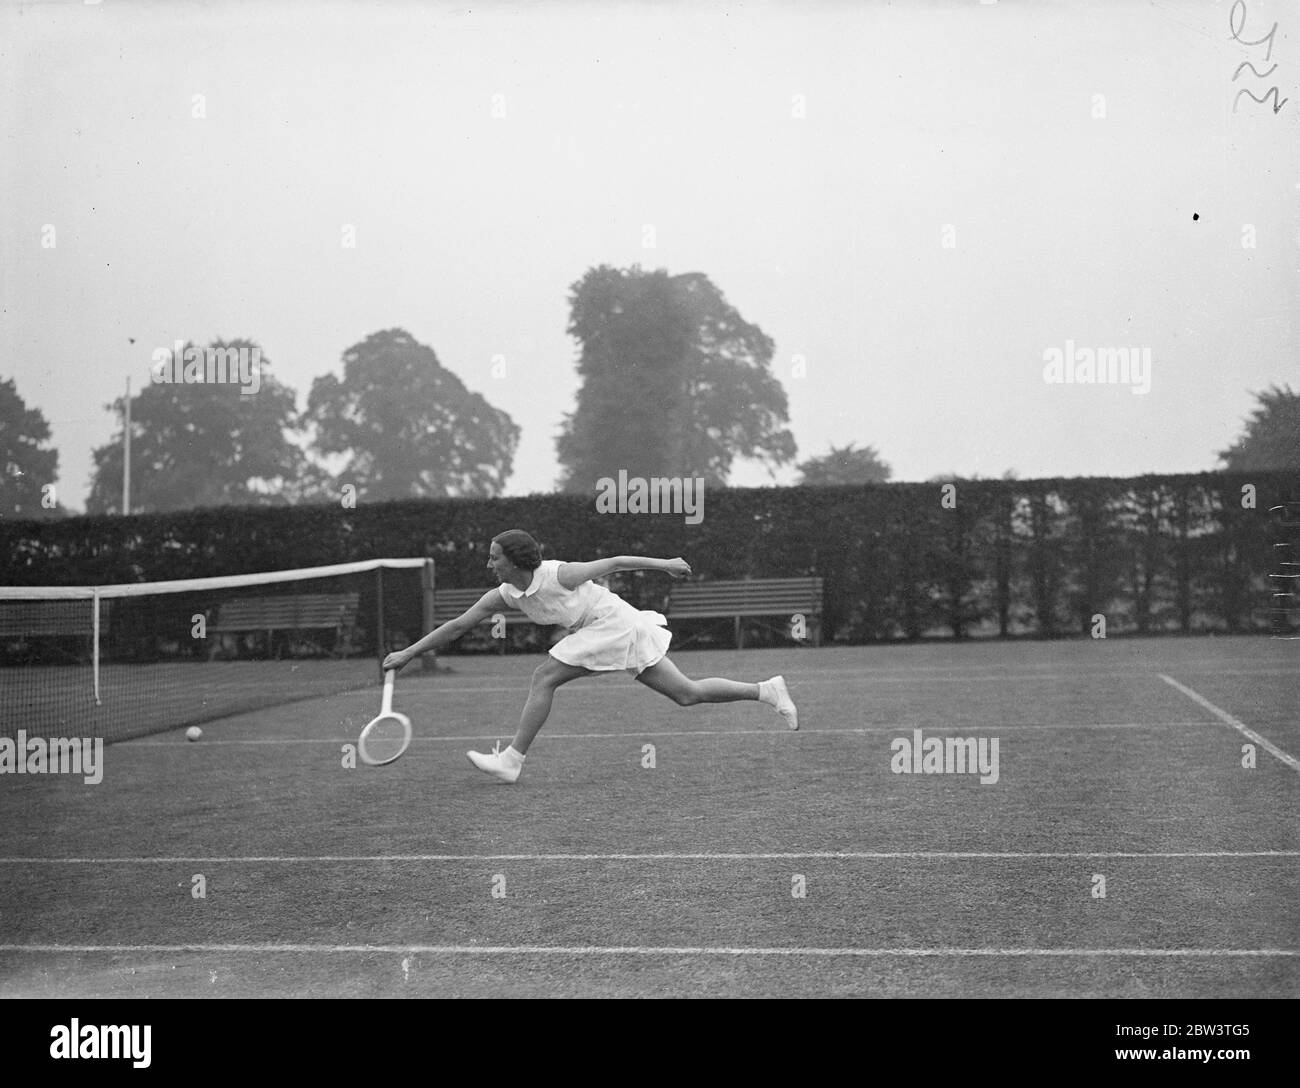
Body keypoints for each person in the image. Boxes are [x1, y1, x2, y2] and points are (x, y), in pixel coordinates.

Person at [381, 529, 798, 783]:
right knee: (686, 693)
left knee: (544, 676)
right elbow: (458, 625)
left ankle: (512, 760)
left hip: (613, 623)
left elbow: (615, 561)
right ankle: (767, 690)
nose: (489, 563)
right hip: (609, 631)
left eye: (494, 557)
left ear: (514, 560)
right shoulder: (504, 595)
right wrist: (410, 652)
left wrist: (667, 564)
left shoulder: (560, 574)